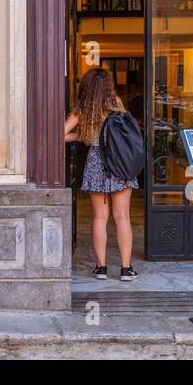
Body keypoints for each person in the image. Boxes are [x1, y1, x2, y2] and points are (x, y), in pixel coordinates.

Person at [64, 67, 139, 281]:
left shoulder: (83, 109)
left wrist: (84, 135)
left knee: (100, 217)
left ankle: (102, 268)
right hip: (120, 162)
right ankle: (126, 269)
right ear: (108, 85)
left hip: (97, 161)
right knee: (122, 216)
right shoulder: (116, 104)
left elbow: (62, 133)